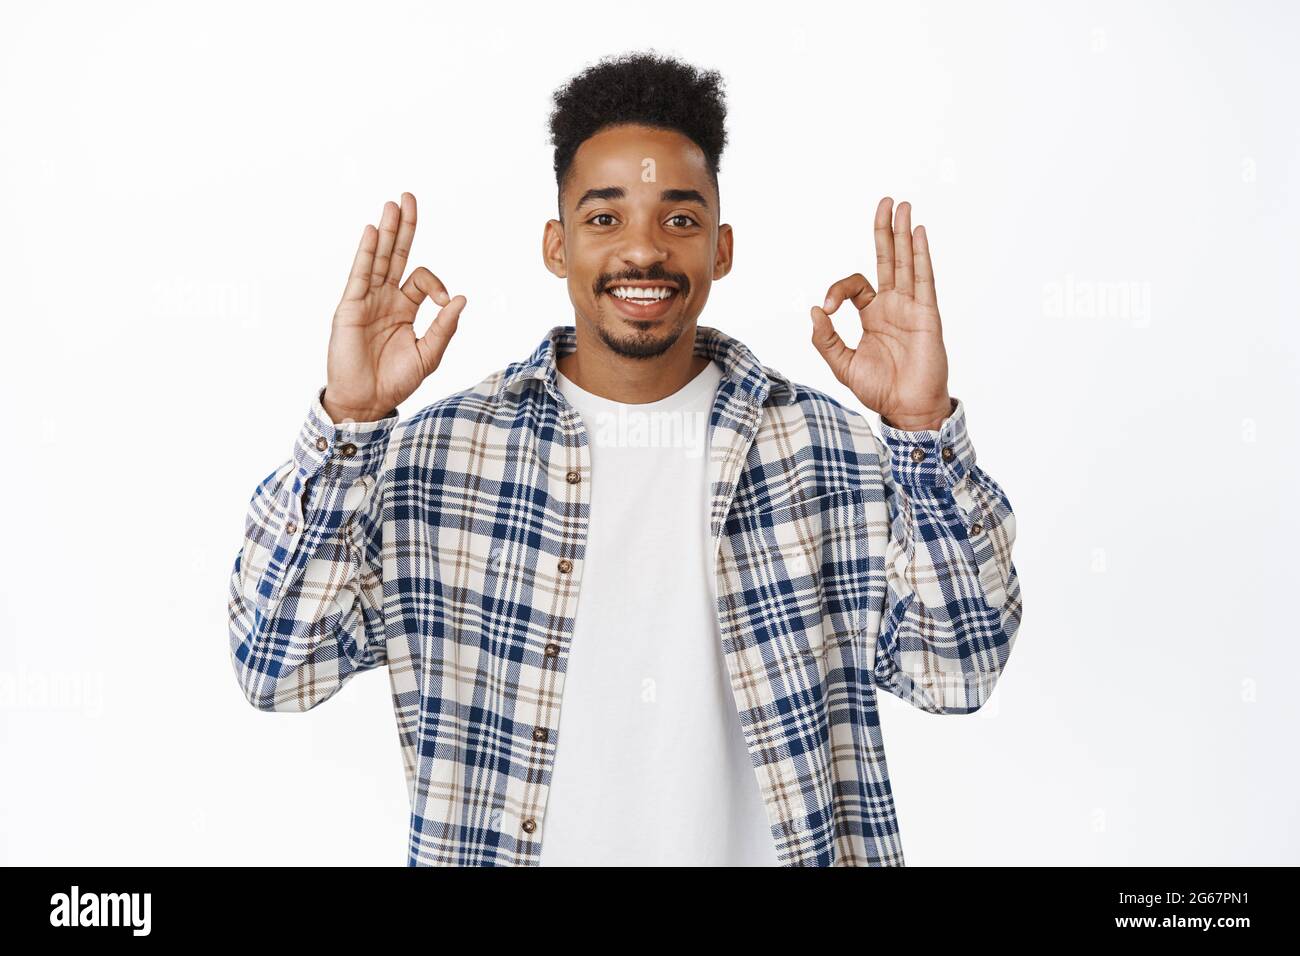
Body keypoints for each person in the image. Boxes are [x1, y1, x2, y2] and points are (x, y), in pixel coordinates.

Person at [227, 50, 1022, 867]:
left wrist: (922, 434)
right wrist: (351, 423)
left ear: (722, 248)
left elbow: (954, 675)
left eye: (679, 219)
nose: (644, 251)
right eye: (604, 217)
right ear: (556, 245)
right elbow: (278, 668)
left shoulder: (827, 455)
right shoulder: (438, 460)